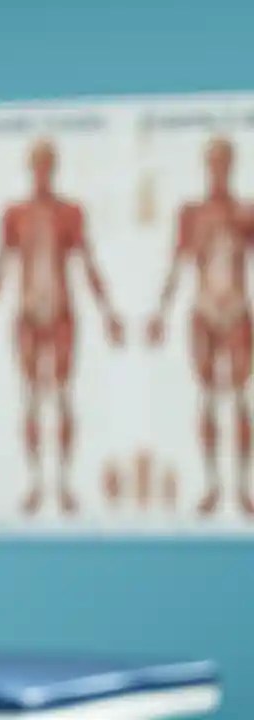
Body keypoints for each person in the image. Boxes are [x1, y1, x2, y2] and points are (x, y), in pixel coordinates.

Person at [0, 138, 124, 517]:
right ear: (30, 167)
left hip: (61, 312)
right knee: (32, 399)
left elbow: (87, 263)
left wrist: (108, 313)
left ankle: (65, 484)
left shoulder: (70, 213)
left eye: (47, 164)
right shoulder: (14, 214)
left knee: (64, 397)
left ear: (53, 168)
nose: (42, 170)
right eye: (36, 163)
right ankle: (37, 484)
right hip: (26, 315)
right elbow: (0, 265)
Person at [147, 136, 254, 517]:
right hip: (204, 312)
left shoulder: (246, 211)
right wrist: (160, 311)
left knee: (240, 399)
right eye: (214, 162)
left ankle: (242, 489)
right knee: (208, 397)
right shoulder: (191, 214)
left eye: (226, 162)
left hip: (238, 310)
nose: (220, 168)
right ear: (207, 166)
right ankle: (212, 486)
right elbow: (178, 263)